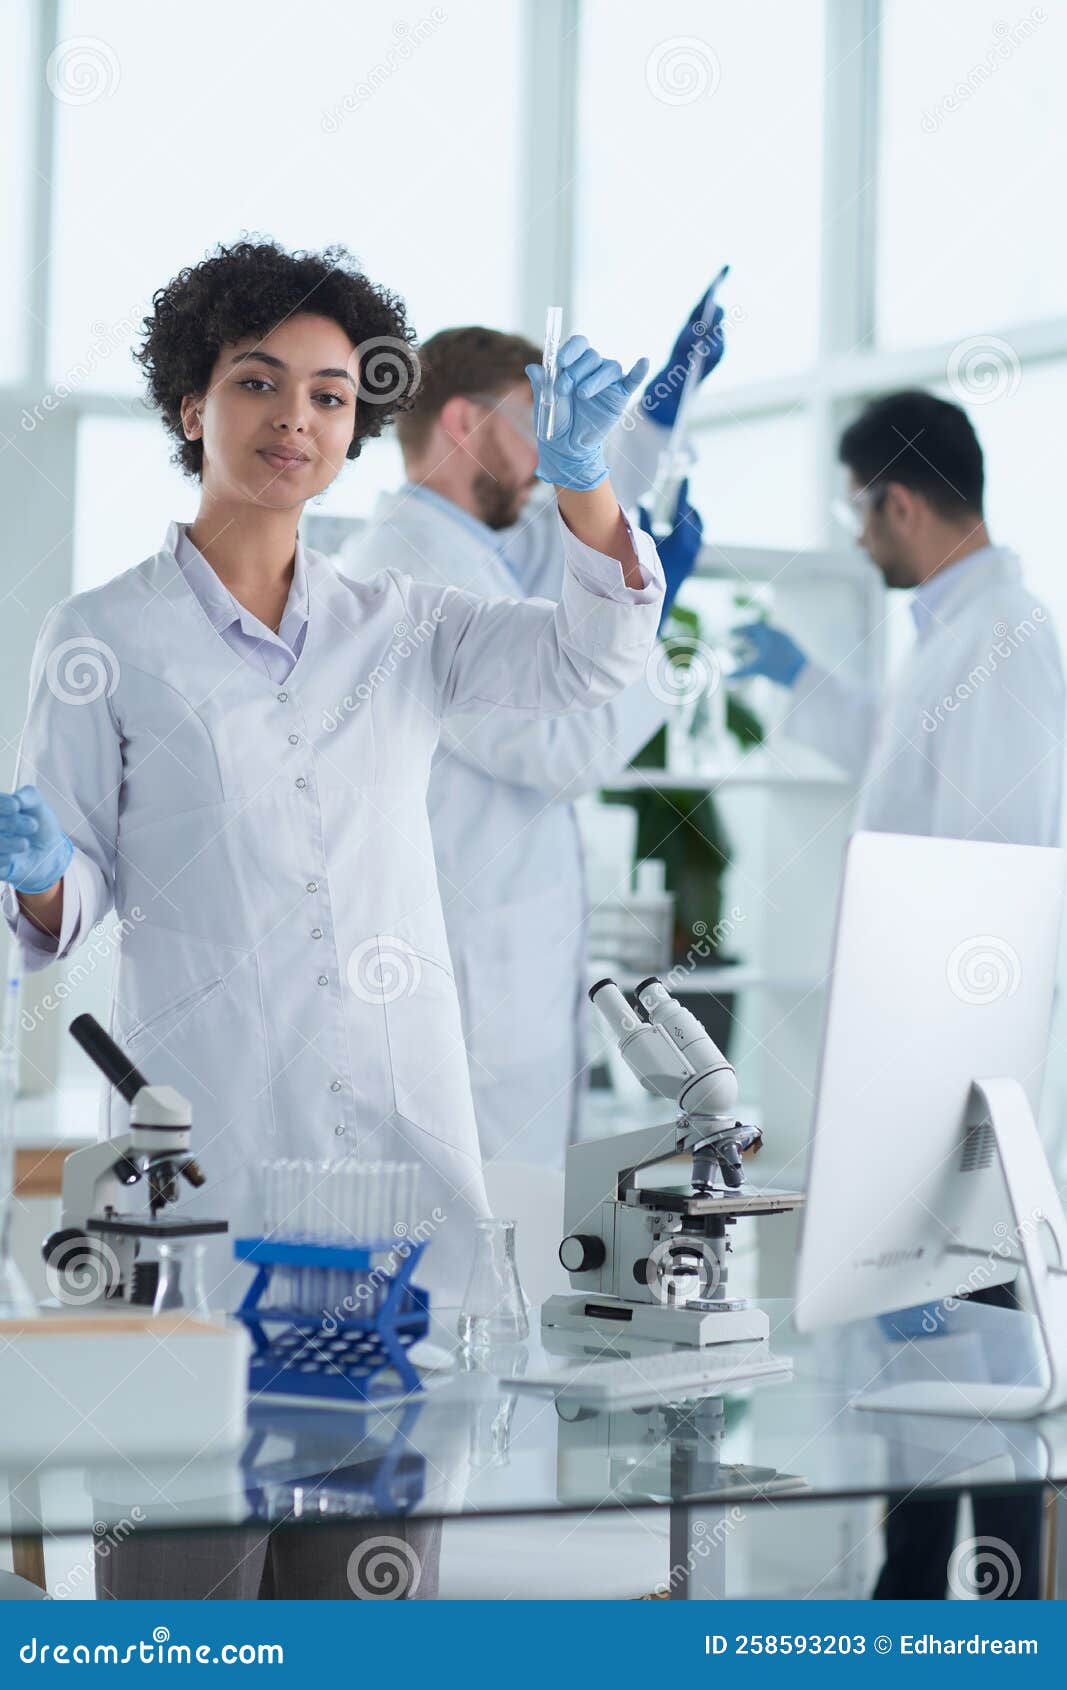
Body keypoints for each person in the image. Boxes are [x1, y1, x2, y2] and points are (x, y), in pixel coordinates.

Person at [0, 238, 664, 1599]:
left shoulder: (402, 625)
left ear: (356, 420)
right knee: (179, 1613)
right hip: (208, 1201)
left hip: (388, 1206)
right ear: (192, 405)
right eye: (256, 384)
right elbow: (64, 912)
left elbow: (588, 659)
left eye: (324, 392)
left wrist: (586, 487)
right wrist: (40, 870)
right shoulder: (102, 634)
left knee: (365, 1608)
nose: (292, 419)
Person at [733, 389, 1064, 1600]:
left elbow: (995, 862)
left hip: (953, 1066)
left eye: (858, 510)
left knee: (972, 1344)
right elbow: (902, 753)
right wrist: (797, 678)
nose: (856, 535)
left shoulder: (1004, 638)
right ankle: (916, 1581)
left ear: (900, 500)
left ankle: (987, 1600)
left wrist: (938, 1068)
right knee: (925, 1343)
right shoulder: (955, 632)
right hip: (919, 1058)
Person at [340, 293, 722, 1165]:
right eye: (534, 425)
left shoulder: (471, 547)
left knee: (514, 1240)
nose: (545, 462)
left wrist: (657, 417)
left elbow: (569, 549)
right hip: (470, 984)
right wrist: (655, 625)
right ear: (466, 421)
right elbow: (563, 745)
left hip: (501, 967)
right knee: (477, 1263)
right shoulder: (415, 568)